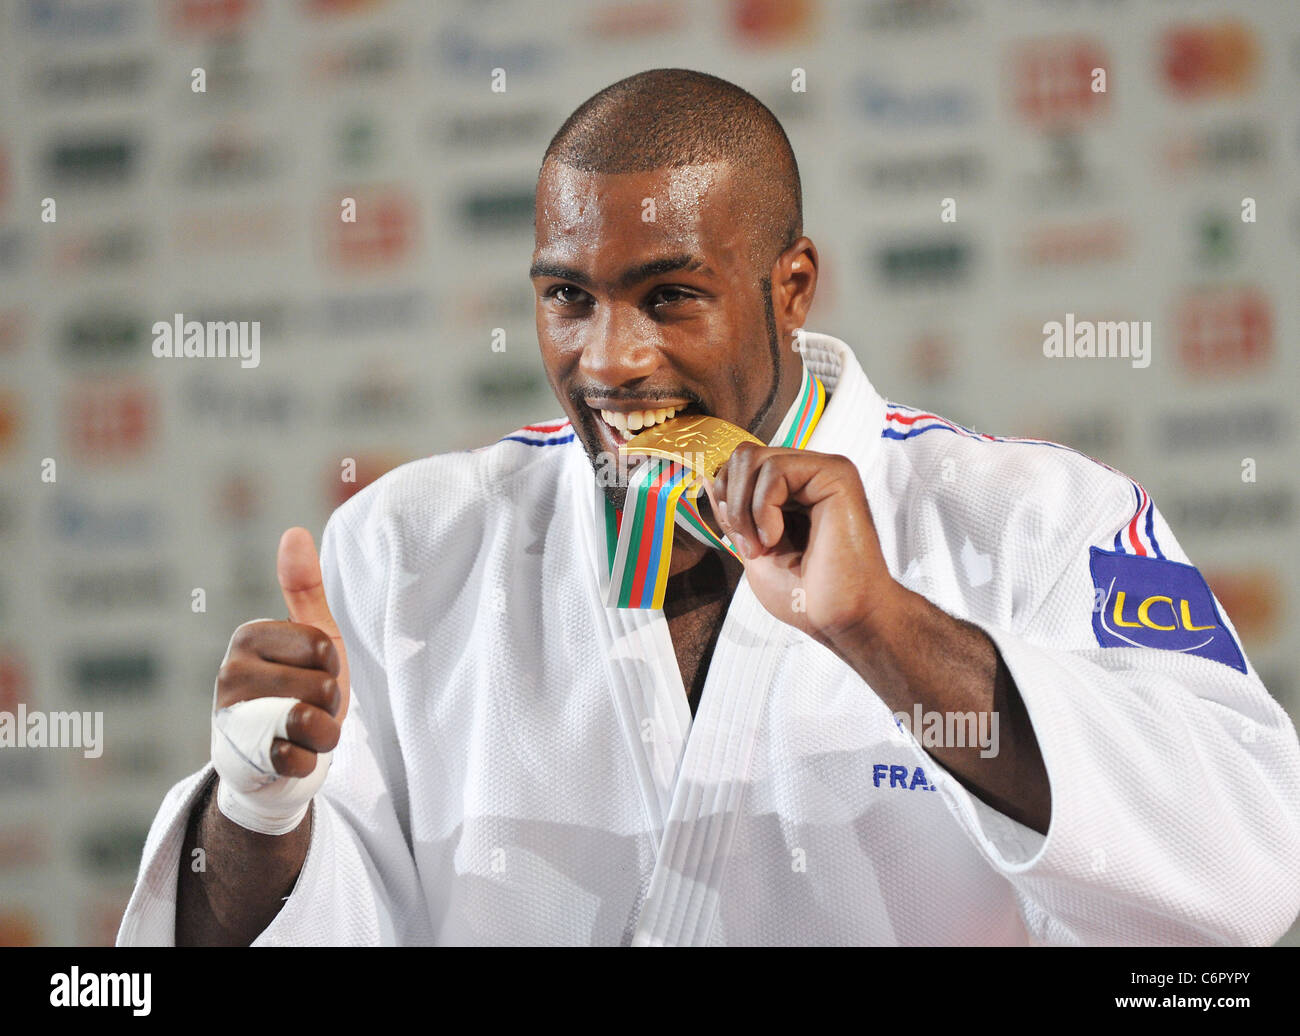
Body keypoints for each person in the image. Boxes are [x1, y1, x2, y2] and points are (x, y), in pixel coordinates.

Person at [118, 68, 1300, 946]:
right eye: (567, 297)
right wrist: (260, 803)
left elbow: (1252, 865)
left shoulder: (1034, 520)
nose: (610, 359)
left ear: (791, 287)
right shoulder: (411, 542)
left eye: (669, 295)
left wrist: (881, 626)